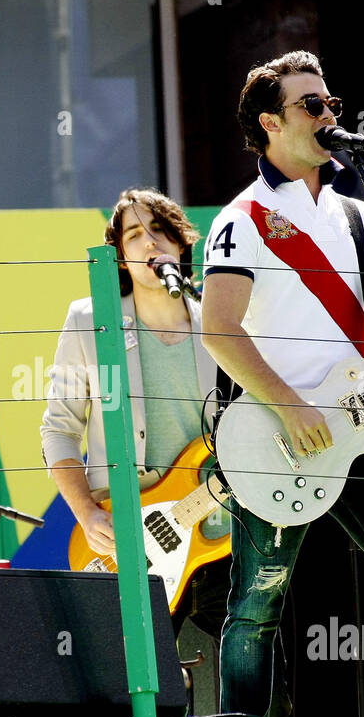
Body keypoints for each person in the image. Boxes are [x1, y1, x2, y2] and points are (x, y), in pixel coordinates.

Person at [199, 51, 364, 717]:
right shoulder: (242, 217)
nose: (328, 114)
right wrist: (289, 404)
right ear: (269, 123)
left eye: (331, 104)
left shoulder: (358, 215)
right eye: (310, 105)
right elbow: (219, 331)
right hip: (276, 436)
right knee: (256, 605)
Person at [40, 188, 229, 647]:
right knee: (143, 694)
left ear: (182, 243)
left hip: (221, 531)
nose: (150, 243)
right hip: (131, 540)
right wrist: (86, 512)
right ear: (120, 256)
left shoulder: (222, 323)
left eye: (160, 230)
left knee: (257, 689)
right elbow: (58, 431)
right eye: (134, 235)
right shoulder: (90, 322)